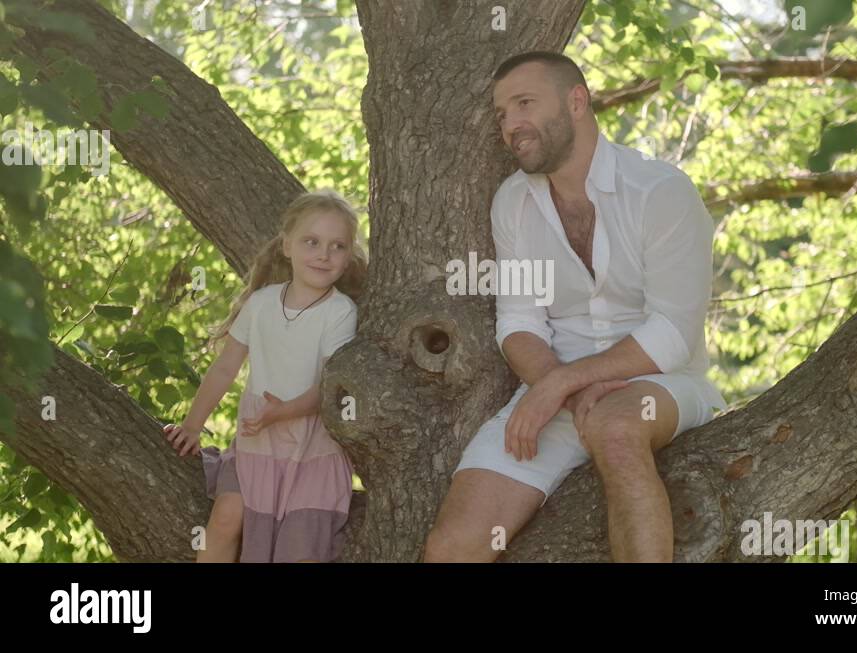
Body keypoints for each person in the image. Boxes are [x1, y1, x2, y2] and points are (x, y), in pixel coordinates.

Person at [424, 52, 728, 562]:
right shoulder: (513, 203)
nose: (511, 125)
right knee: (452, 547)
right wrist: (559, 387)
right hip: (555, 393)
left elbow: (674, 332)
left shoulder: (660, 191)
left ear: (577, 101)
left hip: (662, 382)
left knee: (615, 426)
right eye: (502, 114)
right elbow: (519, 322)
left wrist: (565, 382)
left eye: (524, 103)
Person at [163, 190, 366, 562]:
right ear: (287, 245)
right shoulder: (262, 304)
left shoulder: (340, 312)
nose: (323, 254)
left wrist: (285, 411)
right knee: (226, 518)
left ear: (348, 255)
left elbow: (328, 386)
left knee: (298, 549)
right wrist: (193, 425)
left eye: (337, 246)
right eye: (311, 241)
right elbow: (226, 366)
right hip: (257, 441)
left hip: (313, 448)